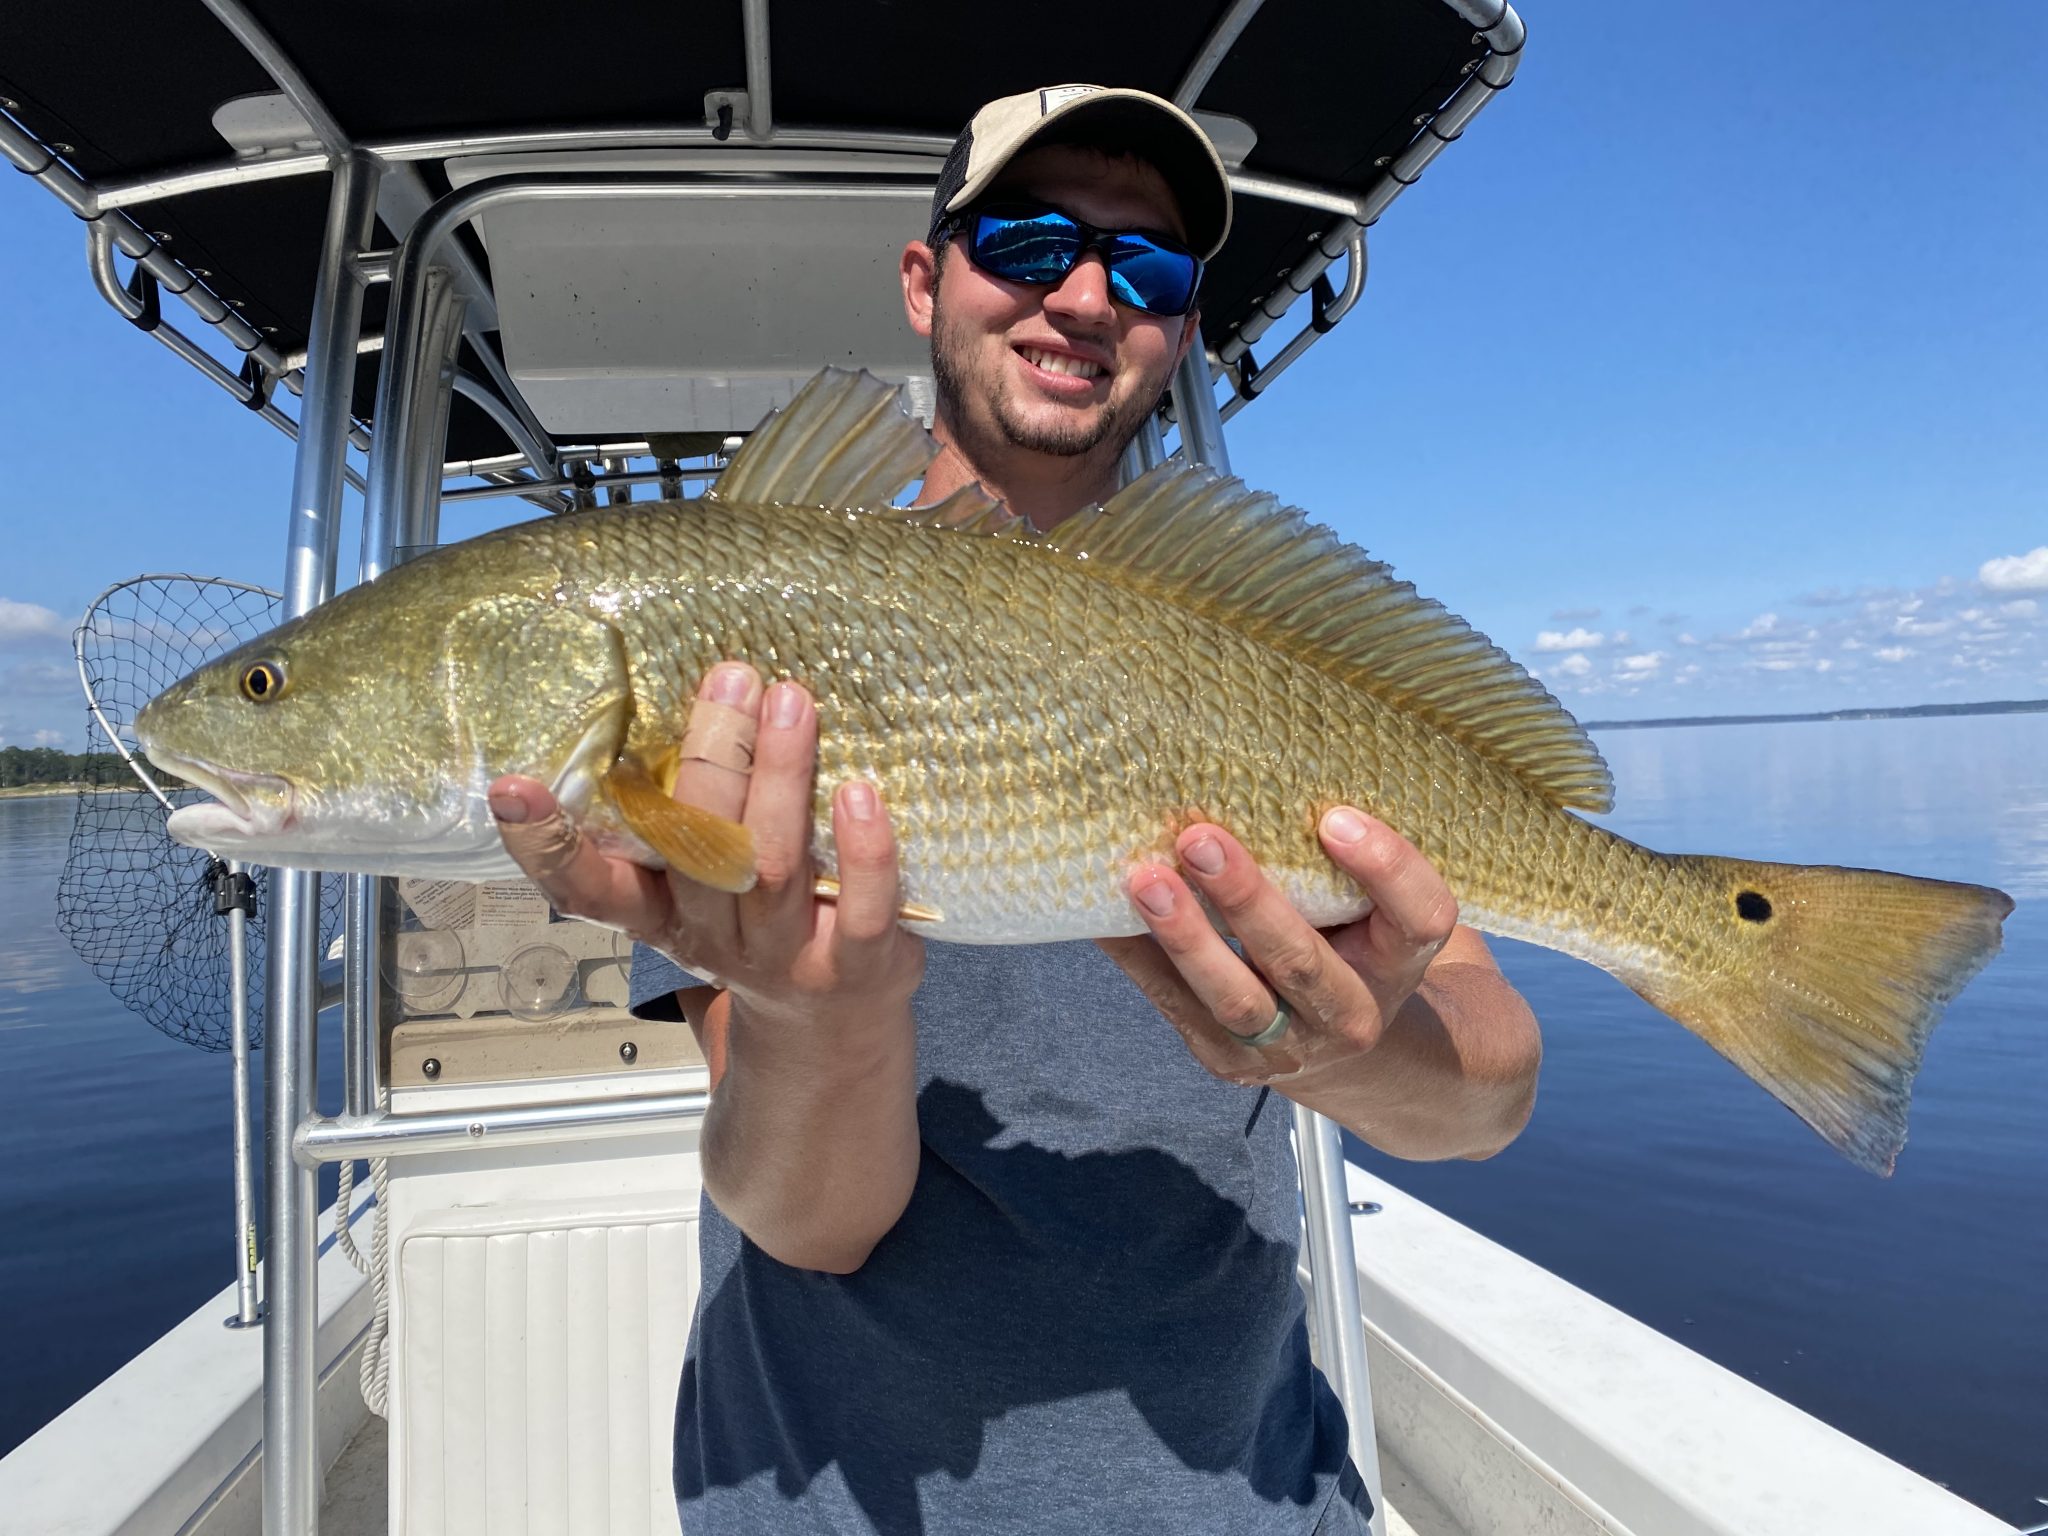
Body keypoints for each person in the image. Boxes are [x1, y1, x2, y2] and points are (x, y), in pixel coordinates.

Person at [484, 84, 1542, 1536]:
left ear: (1178, 325)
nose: (1087, 295)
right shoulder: (724, 683)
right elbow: (812, 1222)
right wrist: (816, 1014)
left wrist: (1353, 1058)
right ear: (926, 279)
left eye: (1149, 266)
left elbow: (1491, 1092)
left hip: (1257, 1498)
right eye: (1030, 241)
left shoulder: (1263, 663)